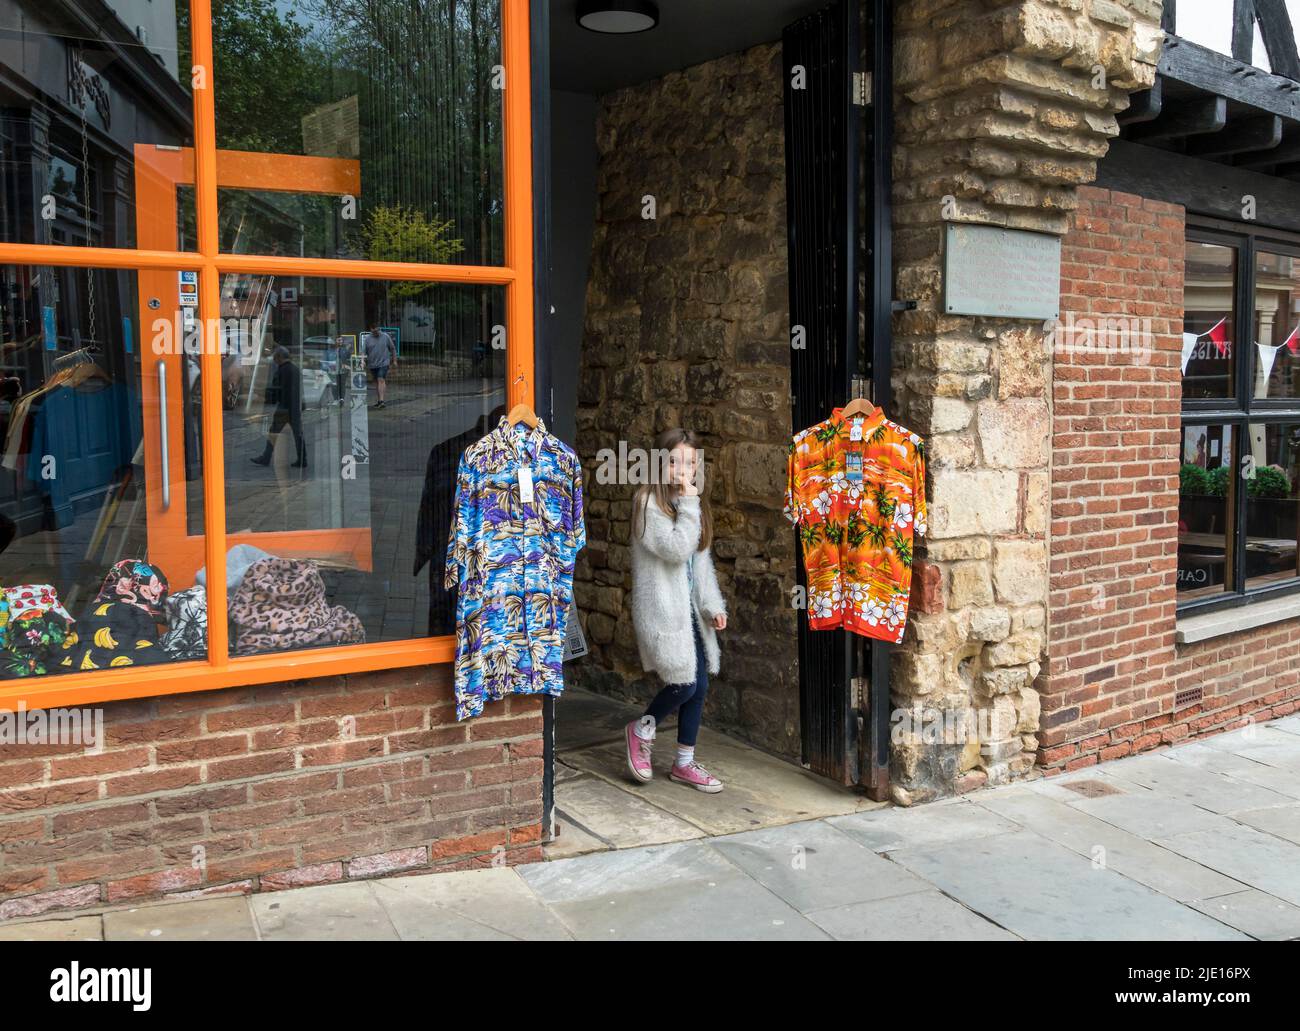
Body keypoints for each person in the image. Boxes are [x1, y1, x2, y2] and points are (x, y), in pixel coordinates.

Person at [624, 428, 728, 793]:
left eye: (689, 461)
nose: (682, 468)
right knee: (683, 683)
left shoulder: (690, 505)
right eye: (673, 461)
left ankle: (684, 763)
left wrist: (712, 605)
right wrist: (690, 503)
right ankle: (641, 729)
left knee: (698, 686)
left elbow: (700, 563)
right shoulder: (647, 503)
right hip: (663, 613)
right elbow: (675, 548)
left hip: (691, 617)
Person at [251, 345, 306, 469]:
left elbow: (276, 390)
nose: (275, 360)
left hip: (284, 407)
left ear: (280, 357)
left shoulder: (281, 370)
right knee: (298, 434)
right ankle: (303, 459)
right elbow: (300, 389)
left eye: (276, 357)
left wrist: (265, 397)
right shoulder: (295, 369)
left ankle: (266, 457)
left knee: (273, 432)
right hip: (295, 406)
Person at [363, 324, 397, 408]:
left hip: (384, 363)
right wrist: (362, 361)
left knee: (380, 379)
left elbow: (392, 348)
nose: (377, 332)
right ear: (371, 329)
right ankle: (379, 401)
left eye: (378, 330)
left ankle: (382, 401)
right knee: (377, 382)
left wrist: (394, 360)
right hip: (372, 364)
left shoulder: (385, 336)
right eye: (374, 331)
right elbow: (363, 352)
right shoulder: (367, 339)